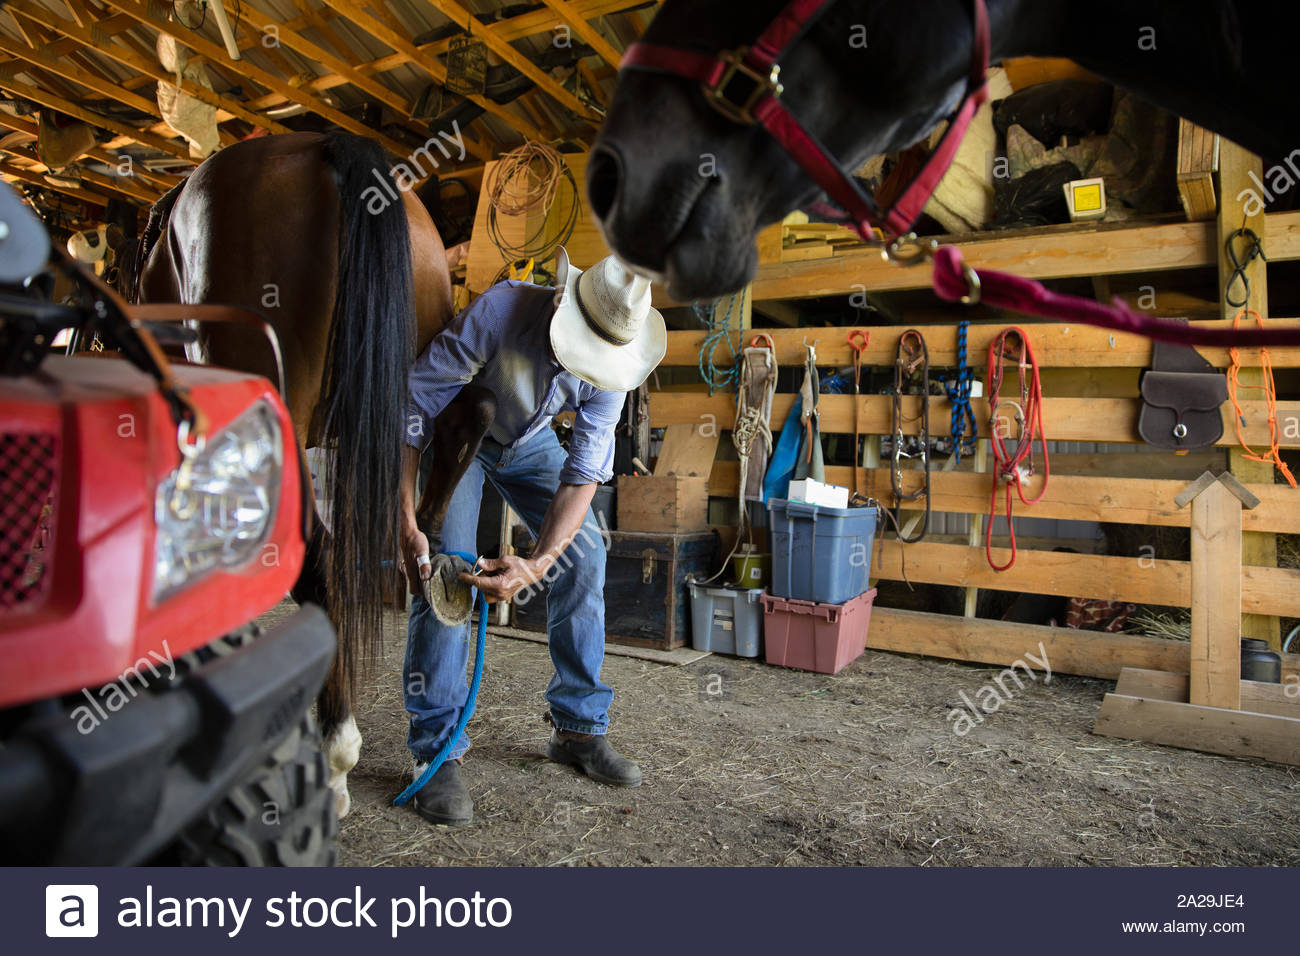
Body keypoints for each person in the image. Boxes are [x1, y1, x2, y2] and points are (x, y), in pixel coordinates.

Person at [398, 248, 666, 826]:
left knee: (585, 554)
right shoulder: (498, 312)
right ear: (563, 305)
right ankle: (435, 751)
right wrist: (405, 512)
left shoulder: (617, 361)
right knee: (450, 568)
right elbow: (414, 404)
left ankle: (576, 728)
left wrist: (538, 563)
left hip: (530, 442)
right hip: (460, 429)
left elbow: (583, 473)